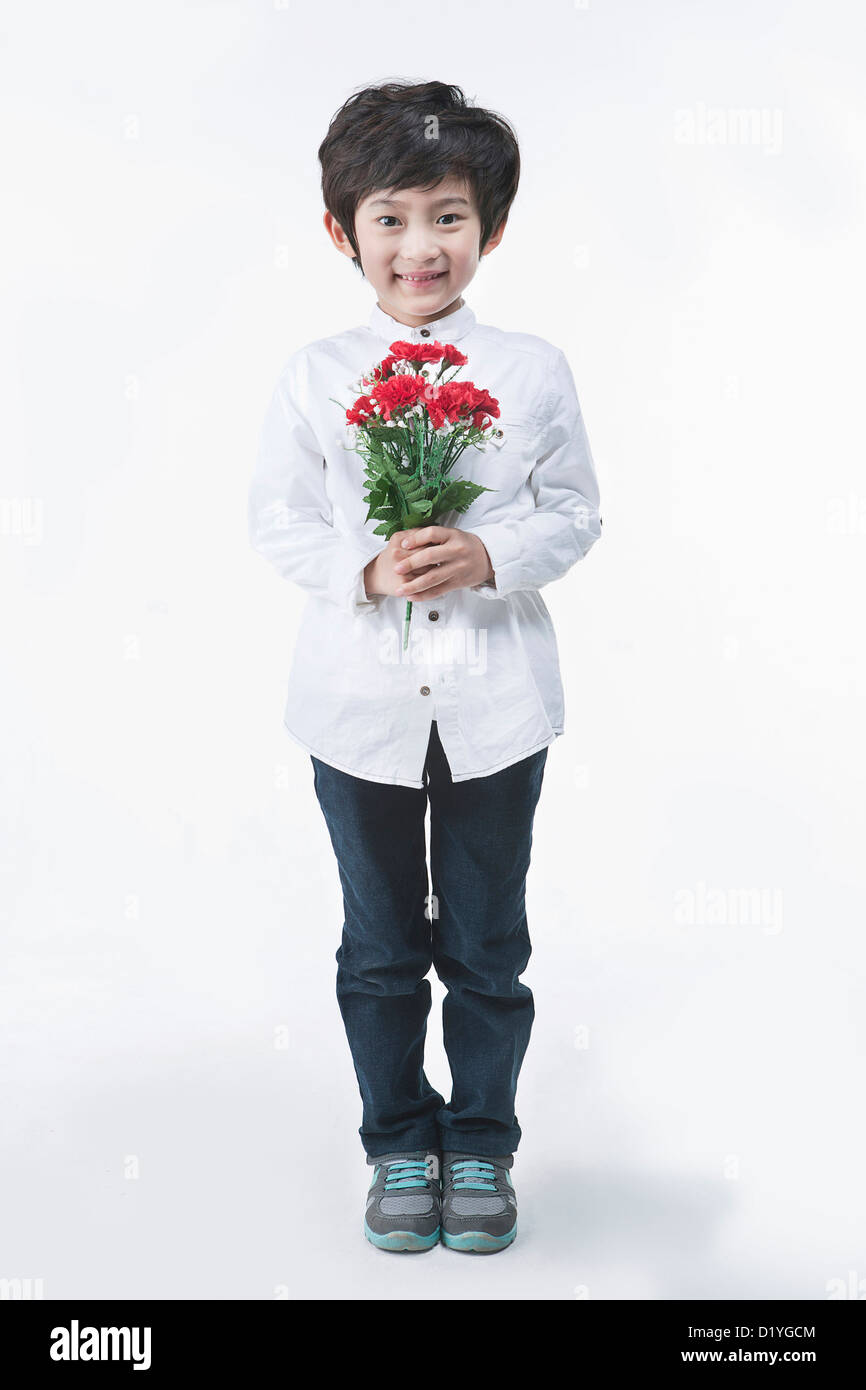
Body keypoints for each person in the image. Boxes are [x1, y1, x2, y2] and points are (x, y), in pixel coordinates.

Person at [248, 80, 602, 1254]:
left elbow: (575, 512)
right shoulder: (316, 373)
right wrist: (366, 571)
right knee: (381, 942)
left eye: (447, 216)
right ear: (341, 230)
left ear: (489, 230)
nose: (419, 246)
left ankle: (483, 1145)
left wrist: (490, 551)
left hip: (497, 705)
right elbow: (279, 520)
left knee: (488, 939)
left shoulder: (531, 365)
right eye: (390, 217)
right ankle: (398, 1136)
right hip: (355, 708)